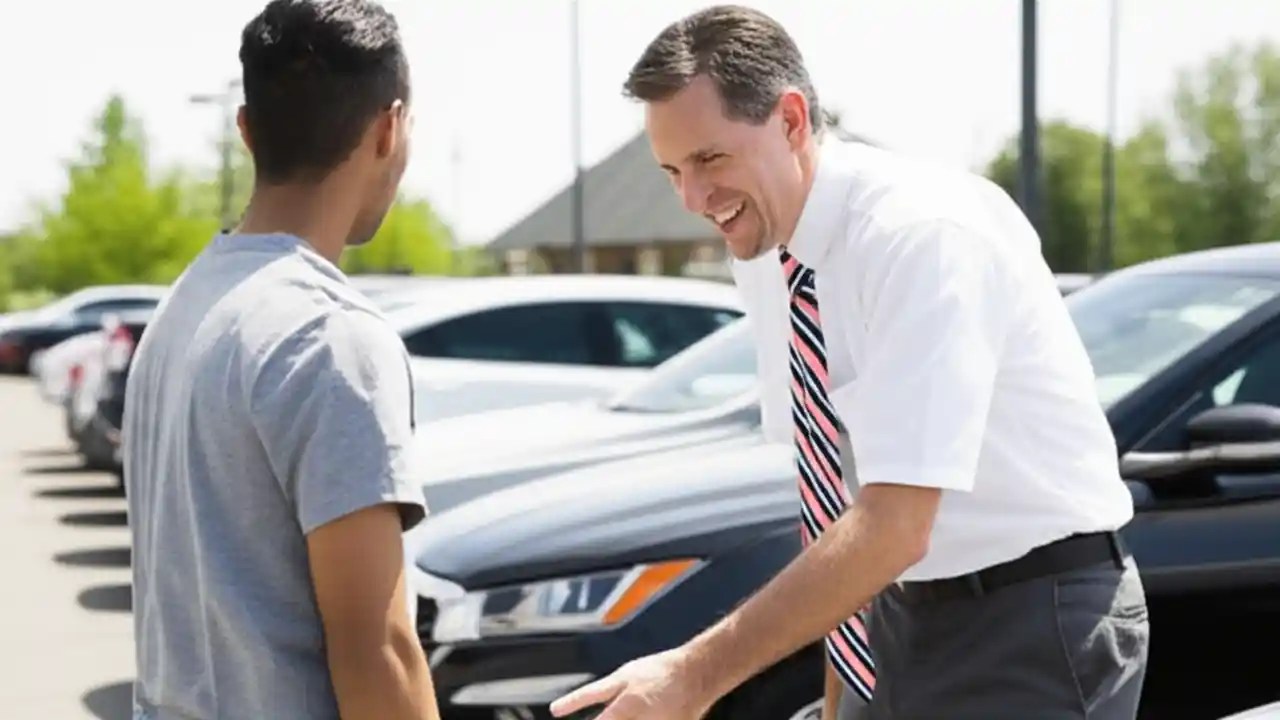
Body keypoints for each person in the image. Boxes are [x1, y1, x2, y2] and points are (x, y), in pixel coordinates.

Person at [550, 6, 1149, 720]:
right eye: (672, 170)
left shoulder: (922, 236)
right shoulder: (770, 251)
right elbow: (833, 494)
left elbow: (896, 523)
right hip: (901, 614)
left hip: (1030, 621)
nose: (692, 199)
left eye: (709, 159)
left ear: (793, 121)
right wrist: (843, 696)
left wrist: (692, 675)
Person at [121, 1, 440, 718]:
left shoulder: (184, 307)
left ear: (246, 131)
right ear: (390, 129)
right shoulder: (331, 336)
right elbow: (378, 653)